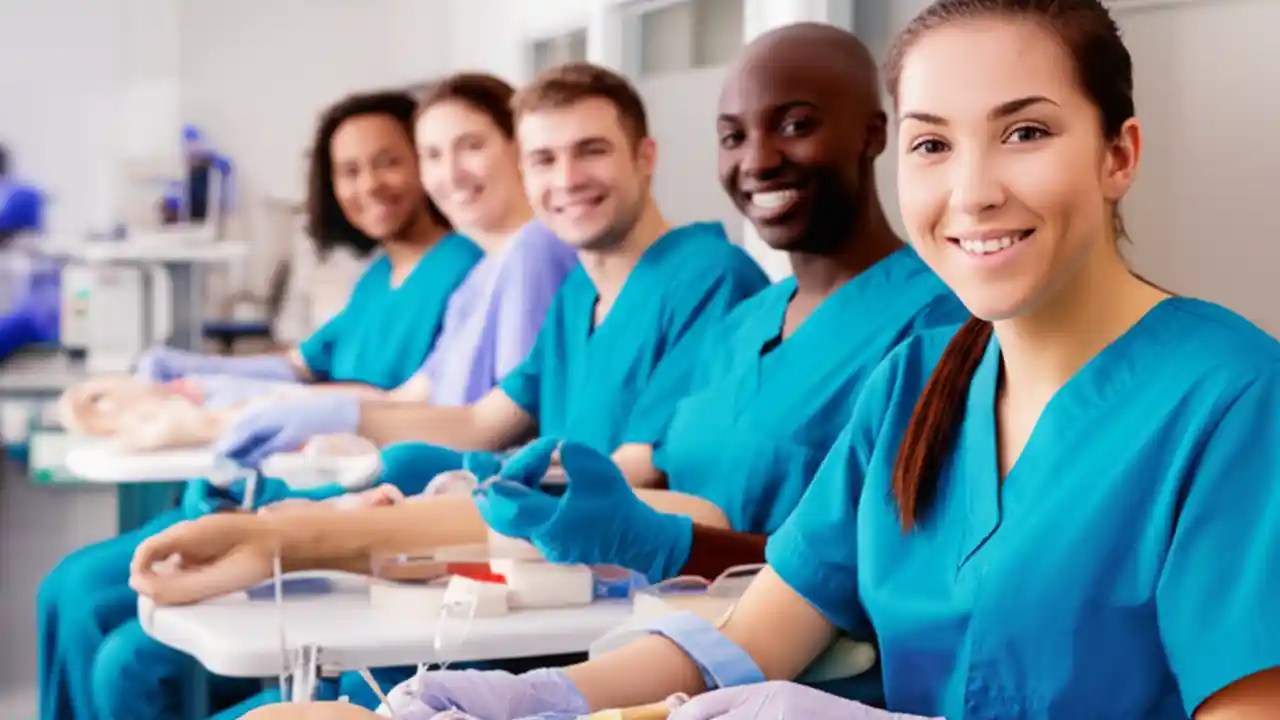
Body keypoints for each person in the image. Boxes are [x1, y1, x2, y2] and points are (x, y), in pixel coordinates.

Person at [250, 1, 1280, 718]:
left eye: (1022, 132)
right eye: (930, 144)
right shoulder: (918, 384)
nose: (968, 192)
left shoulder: (1227, 401)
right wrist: (537, 700)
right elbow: (757, 633)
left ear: (1118, 155)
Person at [92, 72, 584, 720]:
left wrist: (330, 430)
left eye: (468, 147)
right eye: (433, 153)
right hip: (414, 504)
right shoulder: (481, 272)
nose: (448, 173)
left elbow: (489, 424)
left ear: (514, 146)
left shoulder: (529, 255)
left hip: (453, 528)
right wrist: (242, 396)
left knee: (129, 646)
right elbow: (416, 394)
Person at [37, 90, 480, 720]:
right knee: (64, 587)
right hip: (298, 478)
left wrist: (270, 407)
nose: (368, 185)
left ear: (423, 164)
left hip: (356, 496)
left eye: (388, 162)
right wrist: (189, 370)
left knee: (91, 606)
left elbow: (416, 403)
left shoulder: (463, 267)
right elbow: (301, 365)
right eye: (348, 171)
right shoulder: (379, 276)